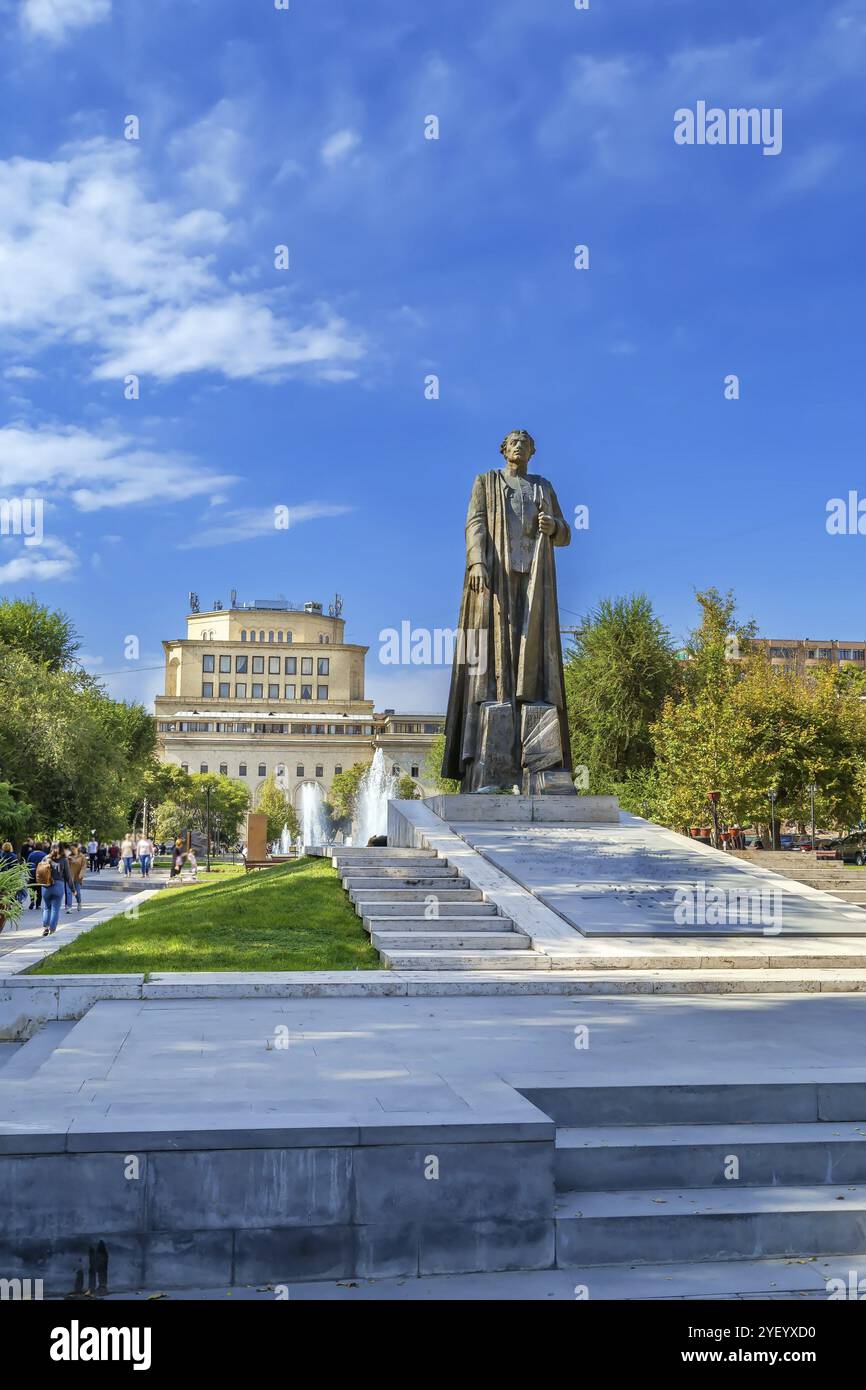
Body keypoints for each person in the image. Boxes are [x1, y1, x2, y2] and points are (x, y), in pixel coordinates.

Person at [37, 843, 73, 935]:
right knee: (55, 909)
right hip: (58, 885)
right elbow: (68, 876)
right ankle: (52, 930)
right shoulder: (64, 860)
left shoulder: (45, 858)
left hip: (46, 886)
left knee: (47, 908)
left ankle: (46, 928)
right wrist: (72, 889)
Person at [26, 841, 47, 910]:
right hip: (40, 874)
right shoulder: (44, 855)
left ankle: (32, 901)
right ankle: (38, 904)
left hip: (32, 873)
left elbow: (27, 865)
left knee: (32, 888)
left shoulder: (31, 855)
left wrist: (27, 874)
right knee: (39, 889)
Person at [67, 843, 86, 911]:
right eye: (71, 849)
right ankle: (69, 907)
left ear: (77, 848)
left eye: (73, 849)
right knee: (69, 892)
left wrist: (81, 874)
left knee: (77, 892)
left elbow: (84, 867)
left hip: (77, 877)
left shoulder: (82, 857)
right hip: (69, 877)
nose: (72, 850)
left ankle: (79, 902)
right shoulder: (68, 856)